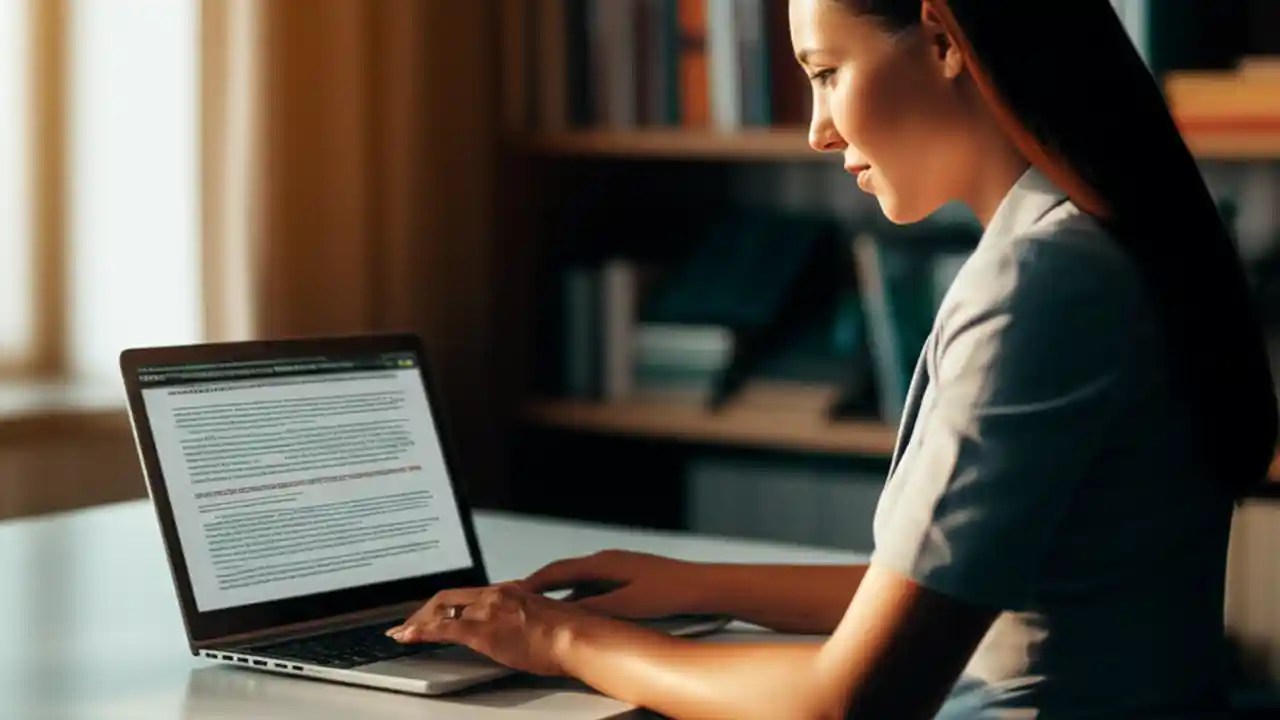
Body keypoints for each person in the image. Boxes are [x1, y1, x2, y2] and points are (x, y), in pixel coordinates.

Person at [387, 1, 1278, 717]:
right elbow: (969, 592)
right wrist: (697, 585)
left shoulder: (1039, 280)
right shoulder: (1097, 242)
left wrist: (555, 640)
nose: (816, 129)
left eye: (825, 73)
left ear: (940, 39)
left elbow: (852, 698)